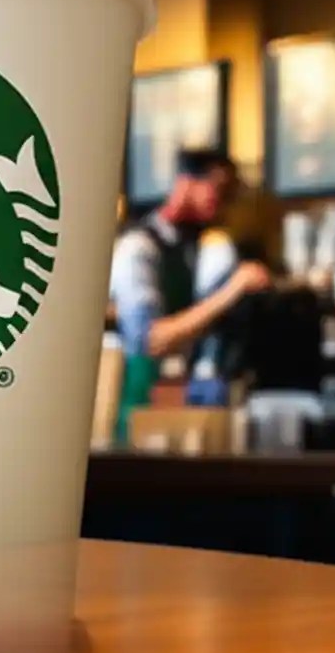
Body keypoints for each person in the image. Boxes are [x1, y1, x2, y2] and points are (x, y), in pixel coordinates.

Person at [108, 149, 271, 437]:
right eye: (218, 188)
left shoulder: (191, 251)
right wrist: (233, 289)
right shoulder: (138, 248)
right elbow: (151, 340)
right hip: (138, 404)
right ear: (186, 182)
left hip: (173, 401)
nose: (221, 201)